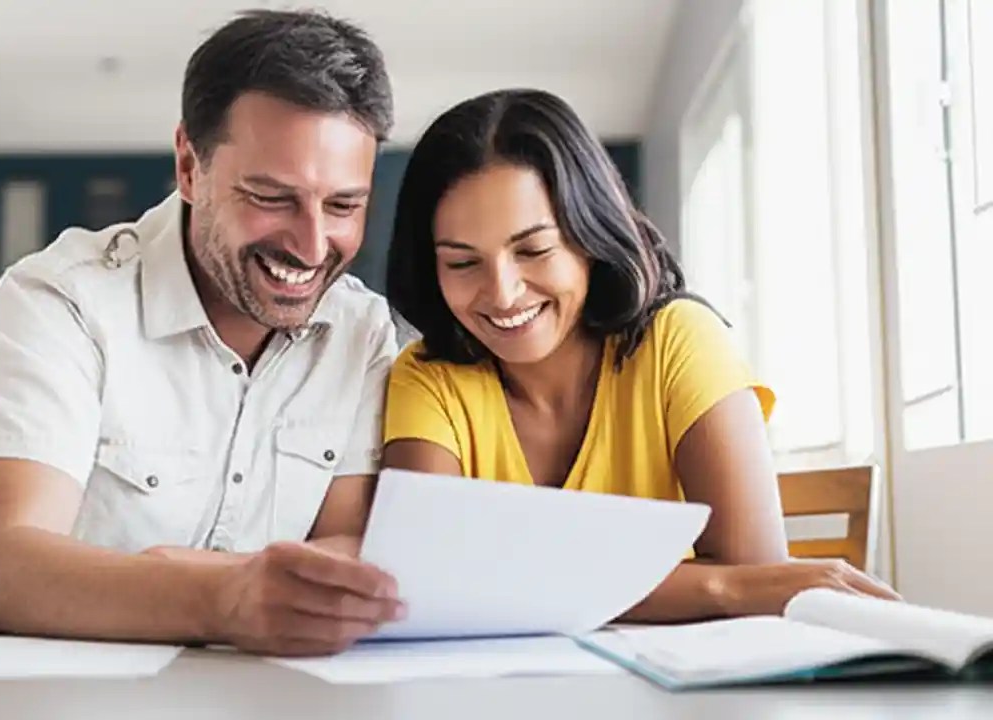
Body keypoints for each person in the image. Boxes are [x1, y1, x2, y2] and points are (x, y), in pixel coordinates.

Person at [0, 10, 406, 657]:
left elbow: (349, 556)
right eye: (270, 196)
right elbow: (6, 572)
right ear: (189, 165)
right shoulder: (60, 301)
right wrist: (225, 597)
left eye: (344, 205)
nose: (313, 245)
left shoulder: (361, 331)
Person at [381, 88, 900, 621]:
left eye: (534, 250)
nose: (503, 292)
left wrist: (510, 578)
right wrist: (715, 587)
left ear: (589, 234)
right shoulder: (426, 378)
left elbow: (759, 577)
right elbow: (430, 576)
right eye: (463, 264)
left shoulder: (679, 341)